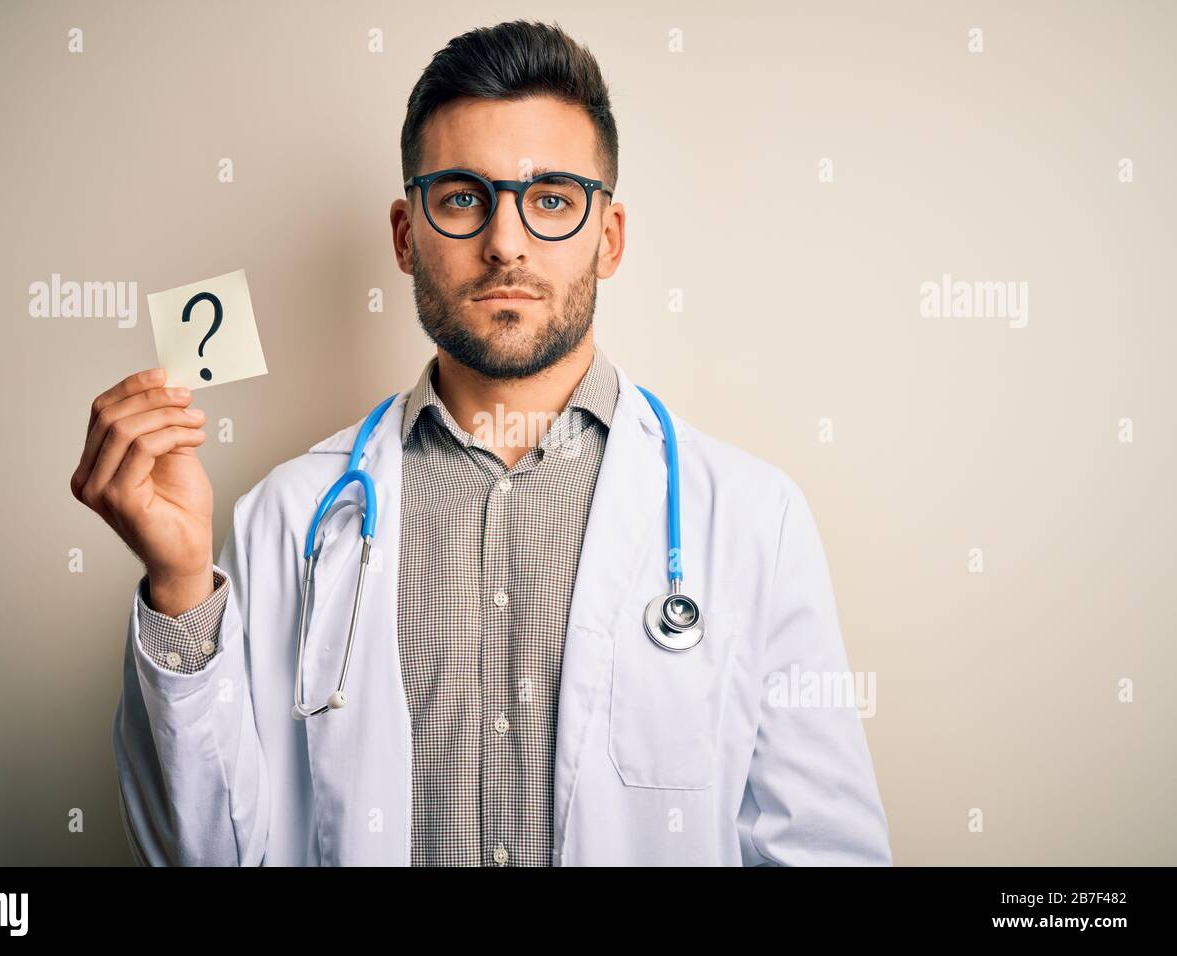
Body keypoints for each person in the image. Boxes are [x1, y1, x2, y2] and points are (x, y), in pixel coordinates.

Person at [71, 19, 892, 866]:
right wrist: (176, 583)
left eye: (552, 199)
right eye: (463, 197)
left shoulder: (755, 520)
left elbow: (822, 851)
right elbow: (203, 856)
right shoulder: (289, 517)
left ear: (607, 238)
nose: (506, 242)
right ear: (404, 235)